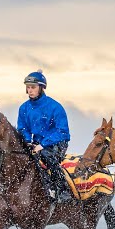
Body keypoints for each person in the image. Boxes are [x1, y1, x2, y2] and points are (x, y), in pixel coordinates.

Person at [16, 70, 73, 203]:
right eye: (28, 87)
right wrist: (27, 141)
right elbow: (22, 128)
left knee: (46, 156)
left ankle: (63, 190)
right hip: (36, 144)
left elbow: (63, 132)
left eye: (33, 87)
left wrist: (43, 145)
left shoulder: (55, 107)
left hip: (56, 143)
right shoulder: (23, 108)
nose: (30, 90)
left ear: (41, 88)